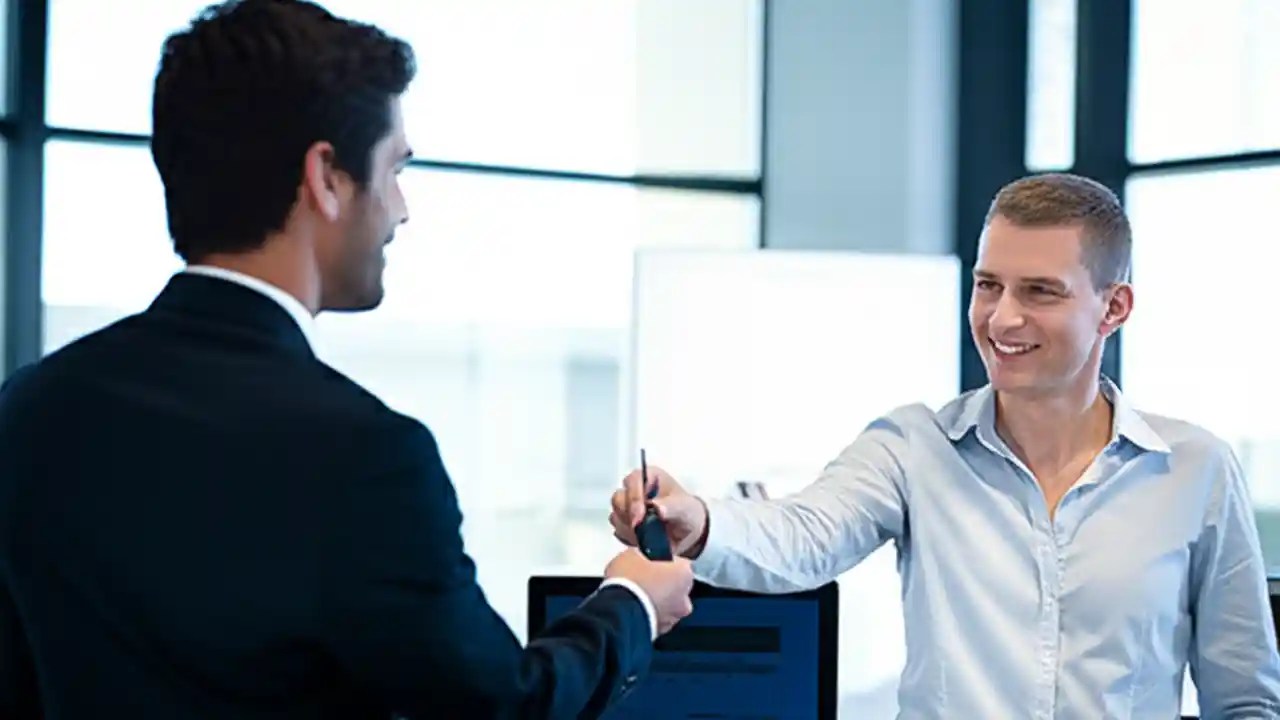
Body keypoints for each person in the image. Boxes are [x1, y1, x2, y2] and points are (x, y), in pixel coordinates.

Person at [0, 1, 695, 718]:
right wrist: (632, 603)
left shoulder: (31, 409)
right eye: (394, 169)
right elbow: (499, 706)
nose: (401, 209)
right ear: (326, 176)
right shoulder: (365, 454)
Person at [611, 172, 1280, 718]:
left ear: (1114, 308)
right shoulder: (913, 447)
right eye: (988, 285)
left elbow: (1245, 699)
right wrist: (698, 519)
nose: (1002, 317)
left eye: (1039, 292)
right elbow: (802, 537)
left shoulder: (1196, 471)